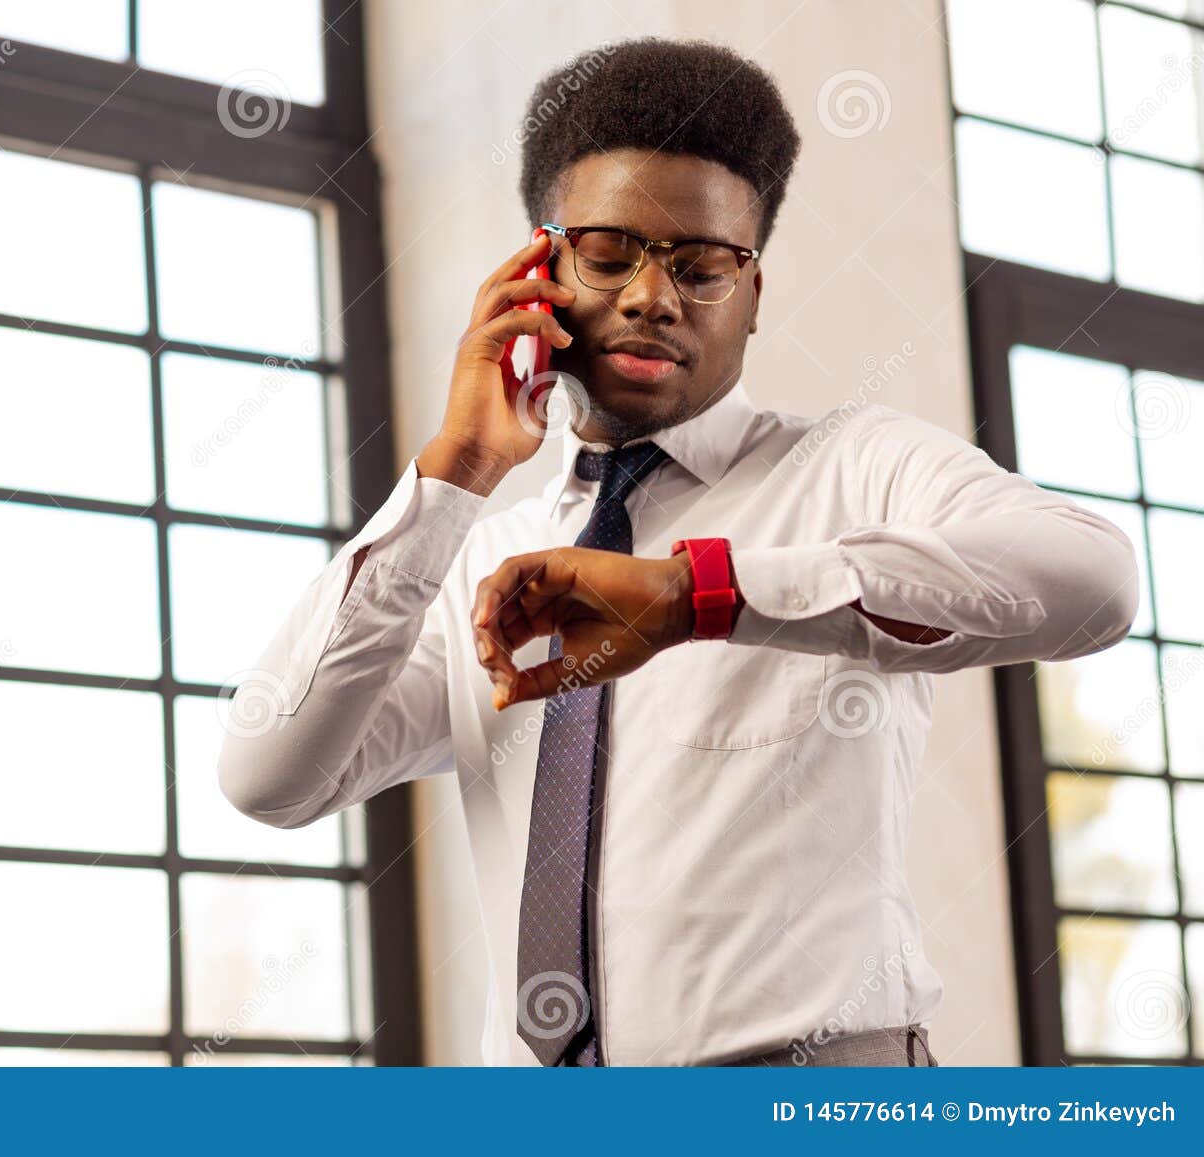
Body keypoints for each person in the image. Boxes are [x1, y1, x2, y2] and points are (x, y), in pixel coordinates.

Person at [216, 38, 1138, 1067]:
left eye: (700, 267)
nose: (653, 296)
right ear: (537, 274)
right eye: (609, 254)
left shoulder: (856, 466)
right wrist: (455, 470)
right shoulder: (485, 564)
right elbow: (269, 774)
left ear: (753, 295)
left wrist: (699, 594)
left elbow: (1094, 580)